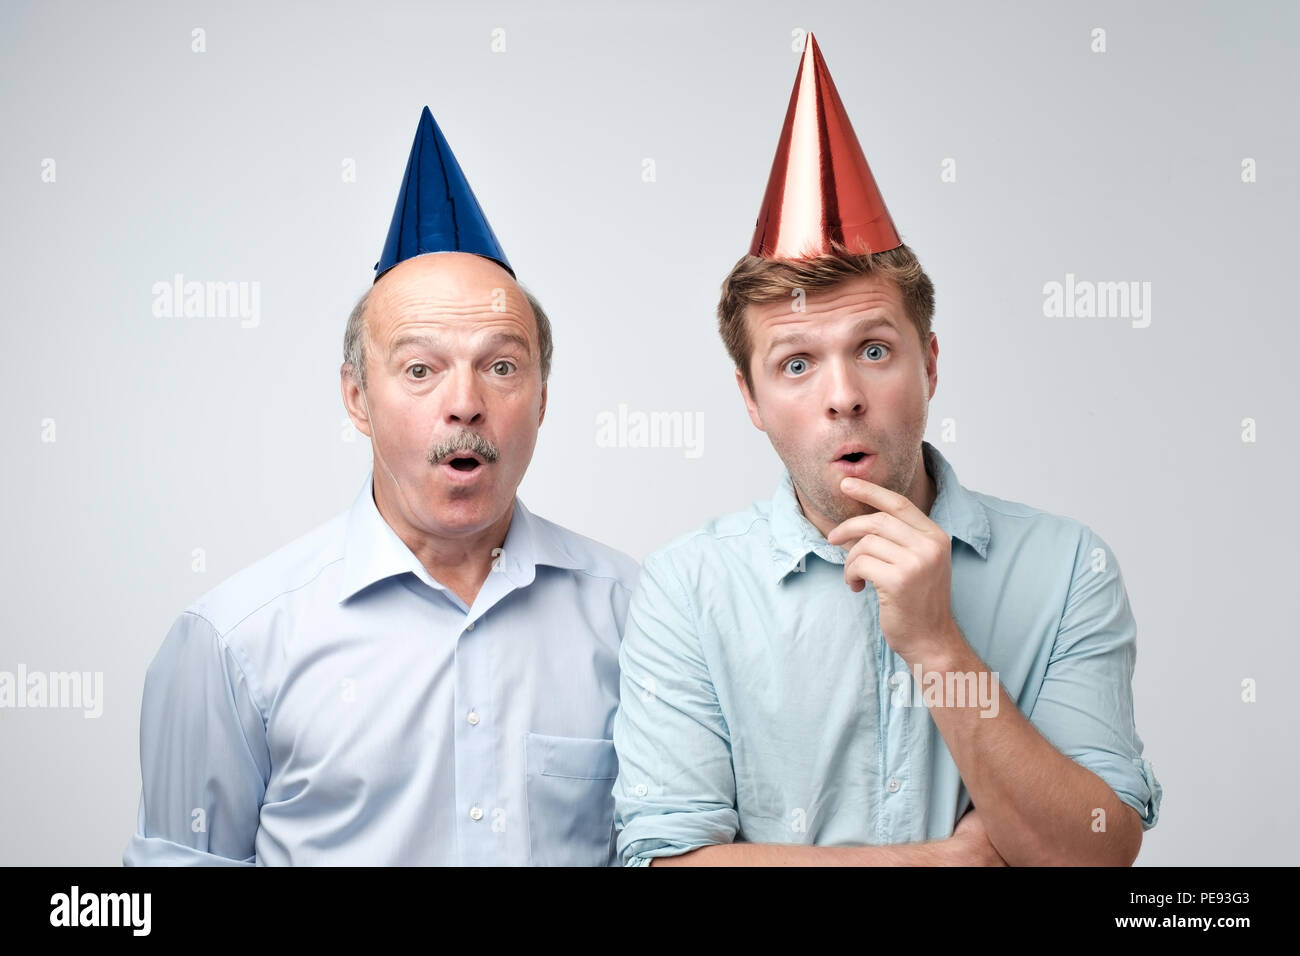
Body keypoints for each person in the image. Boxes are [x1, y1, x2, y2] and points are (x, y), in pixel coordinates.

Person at [611, 34, 1161, 866]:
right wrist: (940, 863)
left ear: (928, 363)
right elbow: (667, 861)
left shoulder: (1067, 568)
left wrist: (940, 645)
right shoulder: (689, 589)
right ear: (750, 400)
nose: (843, 395)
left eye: (873, 349)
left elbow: (1096, 852)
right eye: (796, 364)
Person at [125, 106, 638, 865]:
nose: (465, 402)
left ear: (542, 396)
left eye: (501, 366)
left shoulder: (640, 618)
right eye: (421, 369)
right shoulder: (232, 643)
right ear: (358, 398)